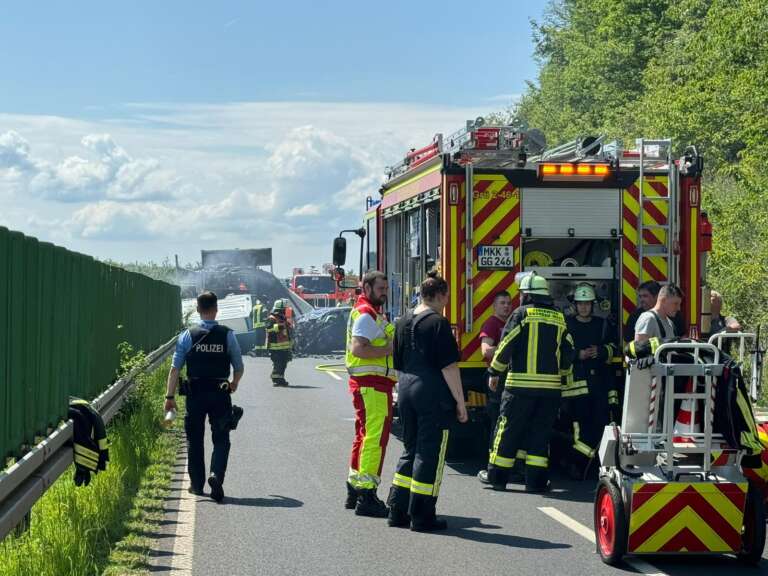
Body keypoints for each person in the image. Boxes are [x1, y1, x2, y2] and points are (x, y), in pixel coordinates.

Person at [387, 271, 468, 531]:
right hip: (431, 391)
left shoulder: (402, 321)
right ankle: (422, 516)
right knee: (429, 453)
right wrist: (460, 402)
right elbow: (449, 367)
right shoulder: (438, 323)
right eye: (446, 297)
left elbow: (397, 362)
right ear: (441, 295)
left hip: (406, 387)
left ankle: (397, 511)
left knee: (410, 449)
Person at [479, 272, 574, 493]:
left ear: (528, 295)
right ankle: (536, 482)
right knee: (540, 435)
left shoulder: (521, 314)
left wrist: (494, 371)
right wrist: (562, 374)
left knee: (508, 431)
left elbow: (506, 344)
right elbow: (568, 351)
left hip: (519, 388)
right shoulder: (559, 317)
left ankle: (497, 477)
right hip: (550, 391)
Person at [164, 291, 244, 502]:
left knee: (194, 439)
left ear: (198, 309)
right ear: (217, 309)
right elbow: (239, 366)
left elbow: (175, 369)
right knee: (221, 437)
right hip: (220, 393)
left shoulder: (187, 336)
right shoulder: (228, 335)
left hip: (195, 394)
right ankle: (216, 474)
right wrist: (234, 383)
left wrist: (169, 397)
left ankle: (197, 485)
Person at [344, 271, 397, 517]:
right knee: (375, 439)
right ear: (366, 288)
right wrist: (391, 348)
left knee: (364, 436)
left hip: (367, 385)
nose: (384, 292)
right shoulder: (366, 315)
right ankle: (367, 495)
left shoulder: (369, 312)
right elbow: (359, 349)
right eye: (380, 288)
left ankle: (354, 488)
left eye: (385, 288)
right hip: (373, 385)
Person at [559, 283, 616, 480]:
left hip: (599, 383)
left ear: (593, 305)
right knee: (576, 427)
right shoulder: (566, 324)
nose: (584, 307)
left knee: (599, 424)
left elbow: (614, 347)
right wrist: (577, 355)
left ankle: (586, 464)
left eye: (587, 304)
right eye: (580, 304)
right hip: (574, 387)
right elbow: (560, 351)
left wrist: (600, 351)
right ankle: (574, 463)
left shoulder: (602, 324)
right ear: (575, 305)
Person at [475, 291, 527, 484]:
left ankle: (513, 465)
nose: (506, 306)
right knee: (499, 421)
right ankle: (494, 463)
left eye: (508, 303)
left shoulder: (513, 322)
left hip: (511, 379)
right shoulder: (492, 323)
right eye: (502, 303)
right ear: (494, 307)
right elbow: (486, 351)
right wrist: (510, 347)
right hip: (497, 379)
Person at [265, 299, 293, 386]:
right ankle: (276, 379)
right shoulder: (272, 318)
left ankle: (280, 378)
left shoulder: (282, 318)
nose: (286, 310)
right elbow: (268, 328)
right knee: (278, 363)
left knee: (283, 363)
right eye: (284, 309)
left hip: (283, 347)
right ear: (280, 309)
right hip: (275, 347)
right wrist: (278, 327)